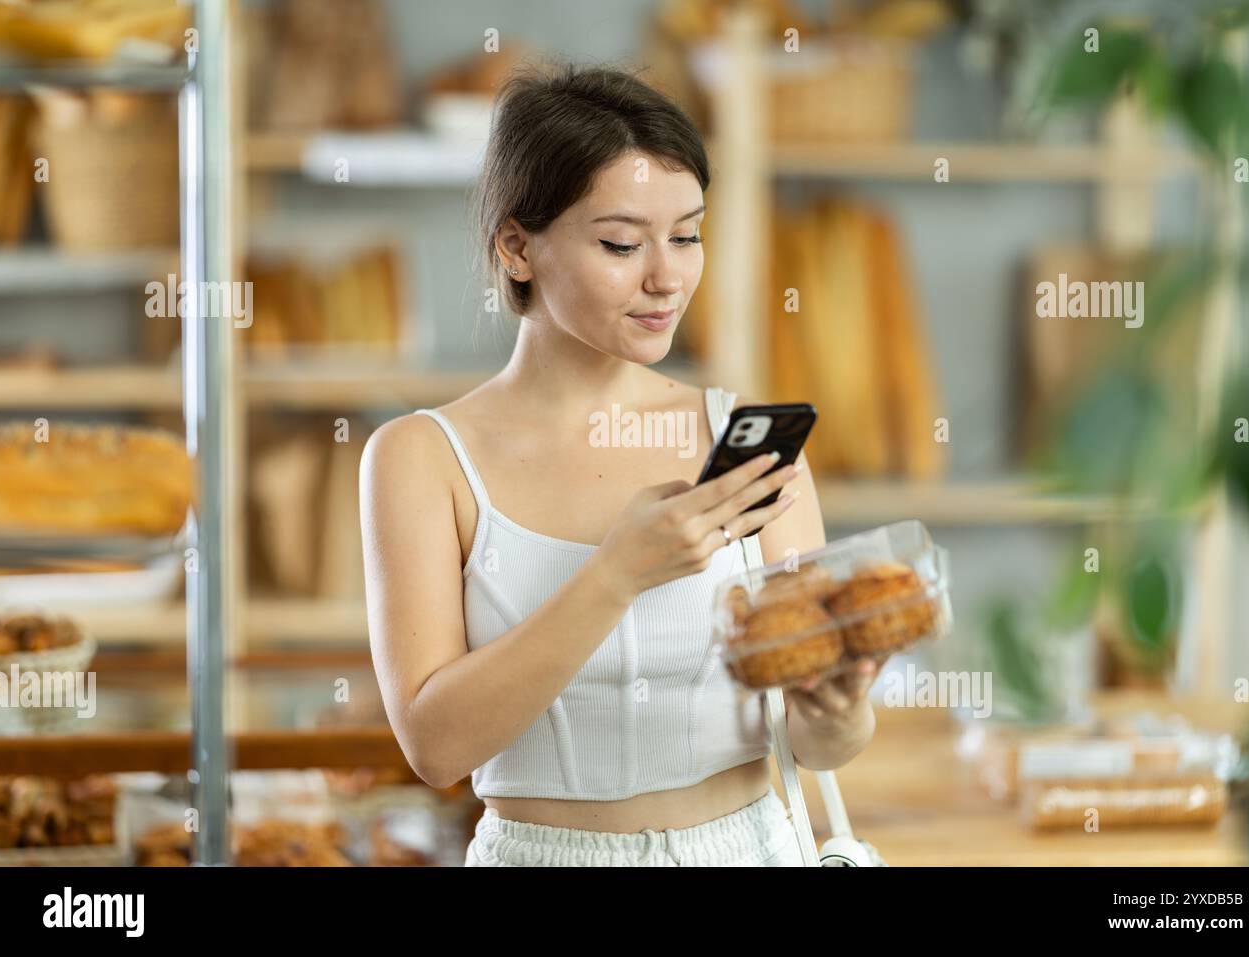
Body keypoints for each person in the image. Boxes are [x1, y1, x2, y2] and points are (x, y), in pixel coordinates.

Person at [359, 63, 880, 867]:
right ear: (517, 245)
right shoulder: (422, 458)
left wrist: (840, 707)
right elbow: (435, 746)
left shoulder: (743, 441)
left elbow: (813, 743)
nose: (666, 277)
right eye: (621, 243)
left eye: (687, 235)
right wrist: (617, 574)